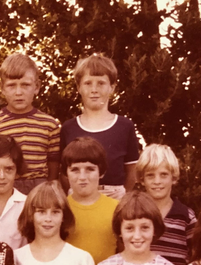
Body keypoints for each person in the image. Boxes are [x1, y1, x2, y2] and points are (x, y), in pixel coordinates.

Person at [60, 54, 141, 198]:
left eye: (101, 83)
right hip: (78, 195)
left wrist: (121, 196)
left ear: (112, 87)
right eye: (88, 83)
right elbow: (64, 174)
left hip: (115, 195)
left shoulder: (124, 126)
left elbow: (132, 172)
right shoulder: (68, 128)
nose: (94, 89)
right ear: (78, 87)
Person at [0, 52, 60, 193]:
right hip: (4, 185)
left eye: (25, 85)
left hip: (39, 188)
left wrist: (51, 190)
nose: (18, 92)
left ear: (36, 87)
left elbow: (53, 164)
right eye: (12, 86)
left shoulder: (49, 124)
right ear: (2, 88)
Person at [61, 137, 119, 265]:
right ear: (66, 173)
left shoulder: (117, 209)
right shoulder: (60, 209)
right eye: (75, 170)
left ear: (101, 172)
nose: (82, 177)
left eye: (90, 169)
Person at [138, 143, 196, 265]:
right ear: (142, 180)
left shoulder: (186, 217)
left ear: (173, 178)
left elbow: (195, 258)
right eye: (150, 175)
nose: (157, 181)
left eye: (163, 175)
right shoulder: (134, 213)